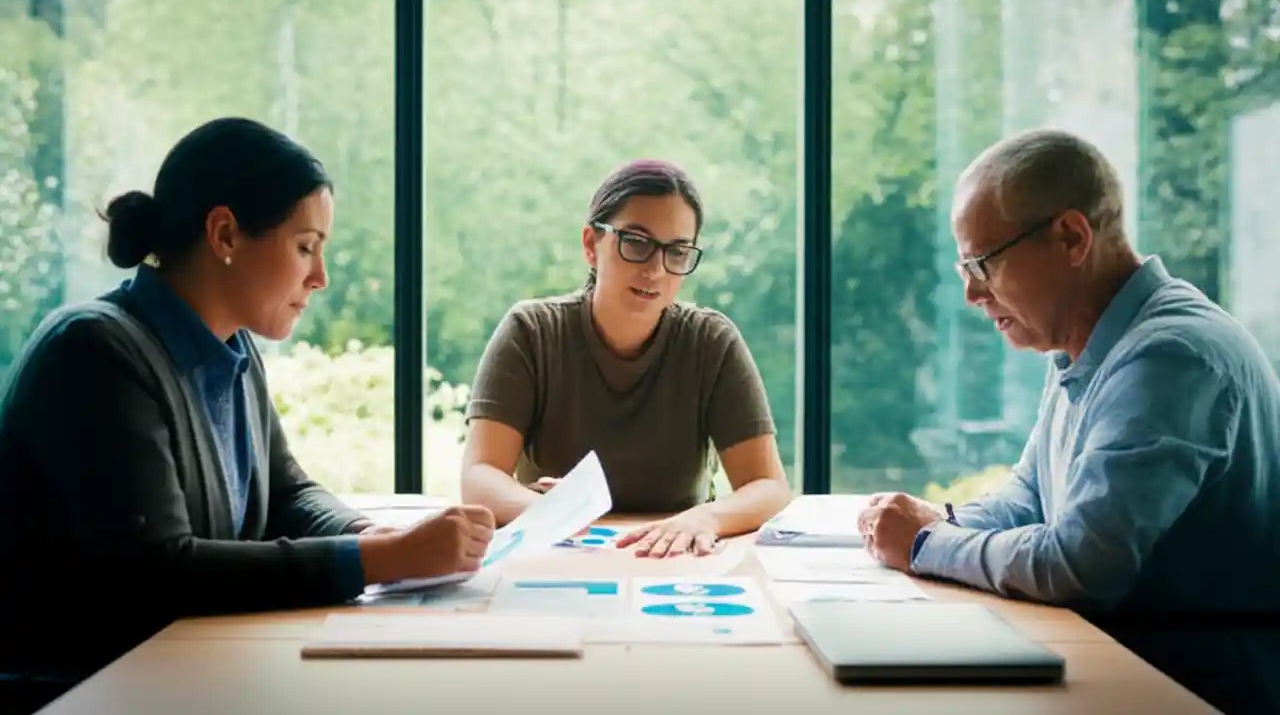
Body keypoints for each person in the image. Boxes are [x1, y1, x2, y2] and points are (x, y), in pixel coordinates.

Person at [0, 117, 494, 706]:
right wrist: (379, 559)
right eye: (305, 247)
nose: (320, 277)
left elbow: (288, 494)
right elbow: (158, 576)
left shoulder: (233, 347)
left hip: (183, 673)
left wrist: (370, 533)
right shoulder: (94, 353)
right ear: (226, 234)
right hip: (85, 692)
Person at [857, 129, 1280, 713]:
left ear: (1071, 237)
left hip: (1191, 690)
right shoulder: (1090, 348)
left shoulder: (1170, 357)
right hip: (1119, 668)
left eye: (983, 263)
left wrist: (928, 542)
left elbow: (1080, 564)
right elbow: (1029, 497)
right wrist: (936, 520)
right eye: (964, 268)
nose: (972, 295)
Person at [460, 159, 791, 557]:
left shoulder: (710, 342)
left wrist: (706, 518)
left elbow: (769, 487)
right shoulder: (531, 332)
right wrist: (547, 511)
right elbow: (479, 475)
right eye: (636, 242)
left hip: (676, 556)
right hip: (557, 553)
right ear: (590, 245)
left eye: (677, 251)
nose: (655, 269)